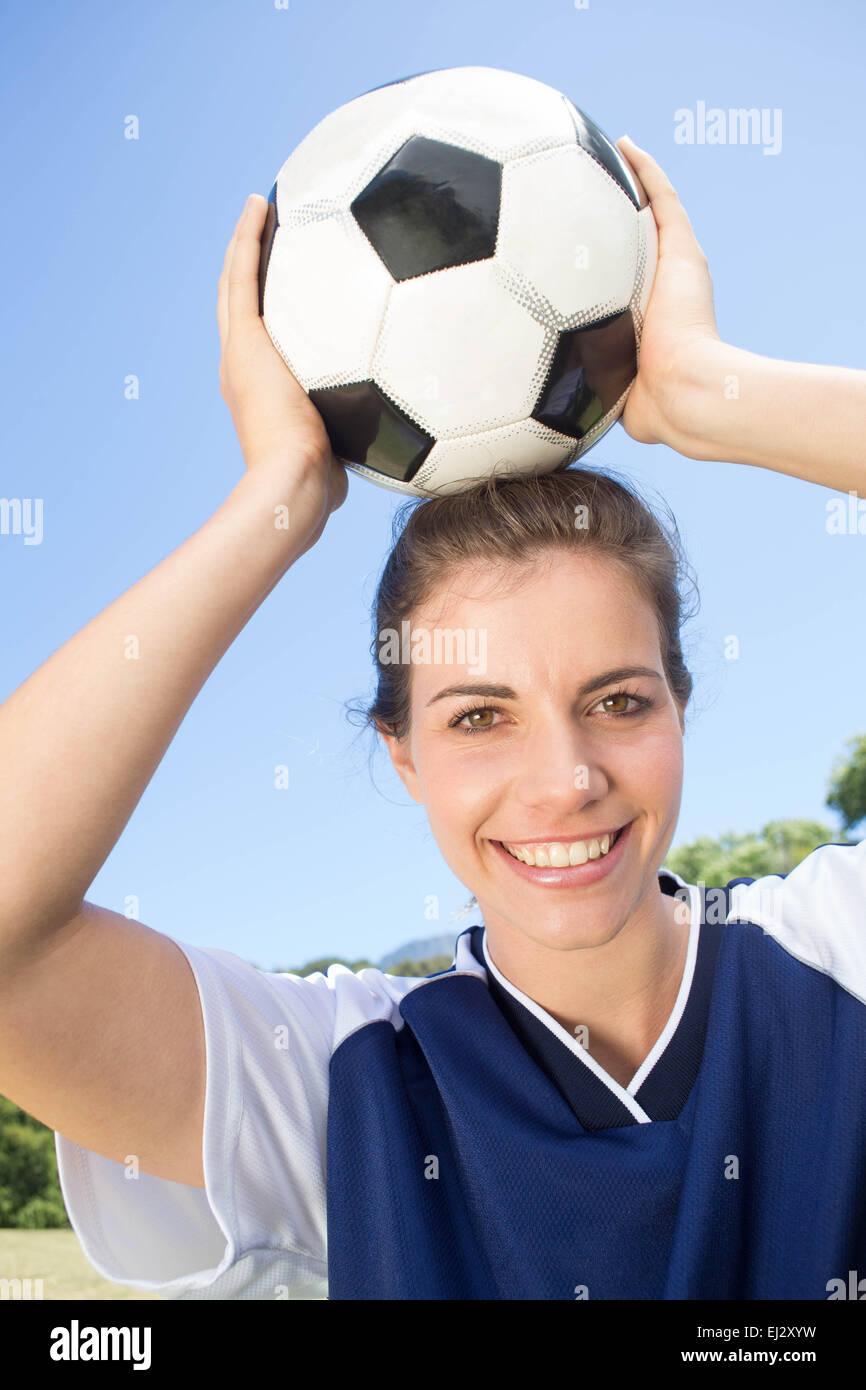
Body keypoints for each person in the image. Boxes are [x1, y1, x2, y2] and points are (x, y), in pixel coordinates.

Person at [0, 136, 864, 1301]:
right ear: (400, 753)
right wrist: (277, 499)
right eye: (477, 717)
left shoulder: (833, 951)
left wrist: (713, 397)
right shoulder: (336, 1081)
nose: (563, 781)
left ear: (677, 706)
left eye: (614, 700)